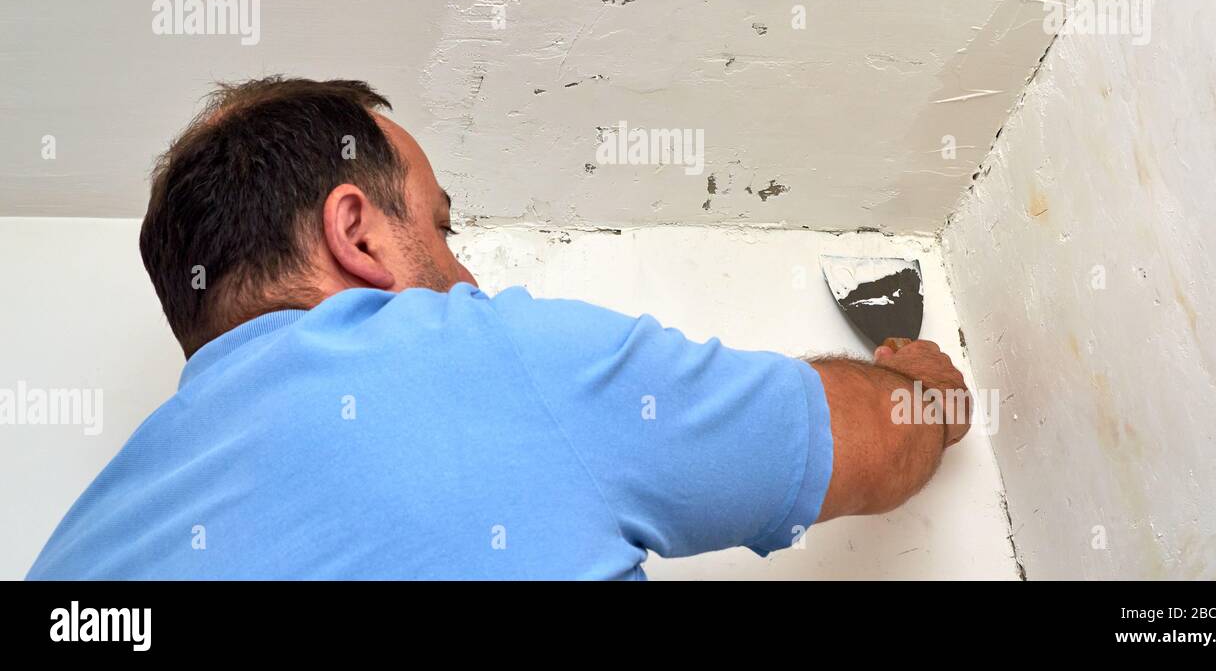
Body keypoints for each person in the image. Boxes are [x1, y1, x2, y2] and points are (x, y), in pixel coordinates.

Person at [27, 76, 971, 580]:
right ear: (356, 232)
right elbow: (871, 447)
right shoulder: (483, 359)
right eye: (438, 227)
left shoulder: (72, 555)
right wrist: (920, 385)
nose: (464, 270)